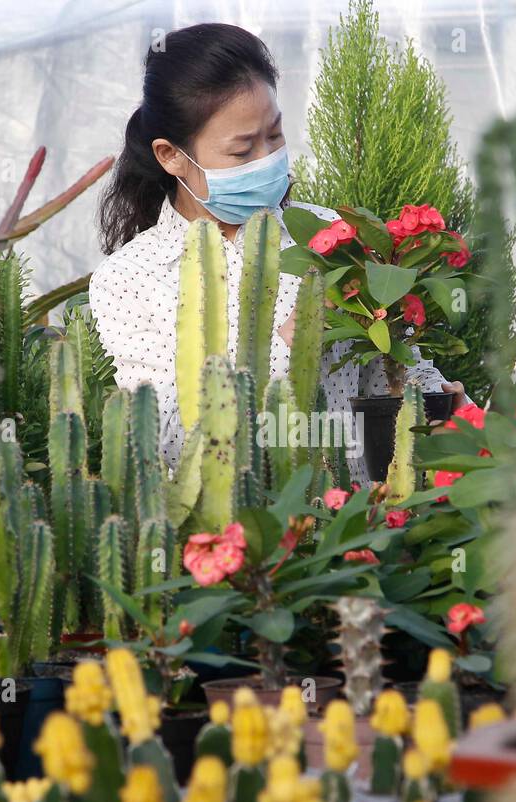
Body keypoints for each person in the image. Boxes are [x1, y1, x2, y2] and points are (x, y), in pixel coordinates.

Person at [90, 22, 464, 472]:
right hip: (242, 531)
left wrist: (435, 397)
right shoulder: (130, 279)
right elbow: (166, 438)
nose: (266, 158)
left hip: (358, 516)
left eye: (274, 135)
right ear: (171, 156)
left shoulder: (330, 233)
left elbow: (389, 367)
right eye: (242, 150)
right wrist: (289, 341)